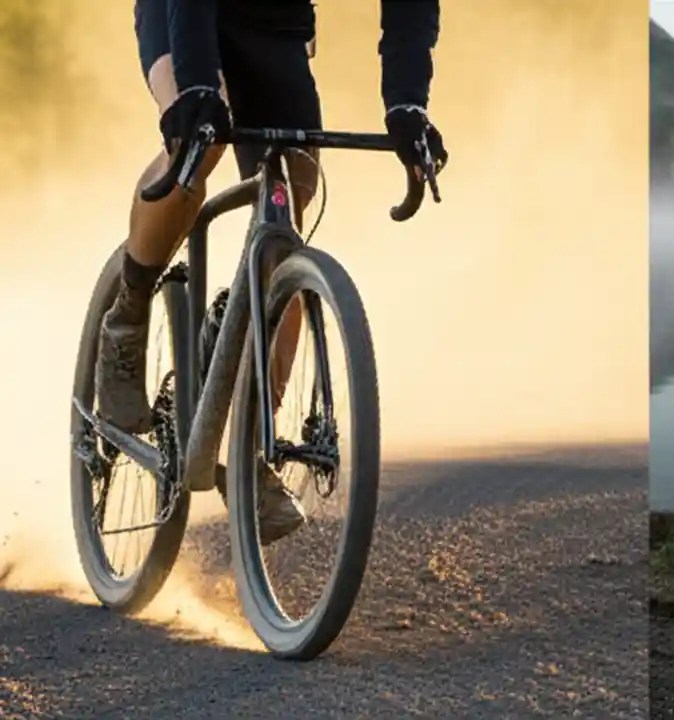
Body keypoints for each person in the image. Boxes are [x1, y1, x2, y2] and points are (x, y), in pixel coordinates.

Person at [97, 0, 448, 545]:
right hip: (184, 14)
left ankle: (250, 439)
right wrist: (194, 90)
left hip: (273, 25)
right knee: (196, 153)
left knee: (291, 196)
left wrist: (407, 104)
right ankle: (128, 313)